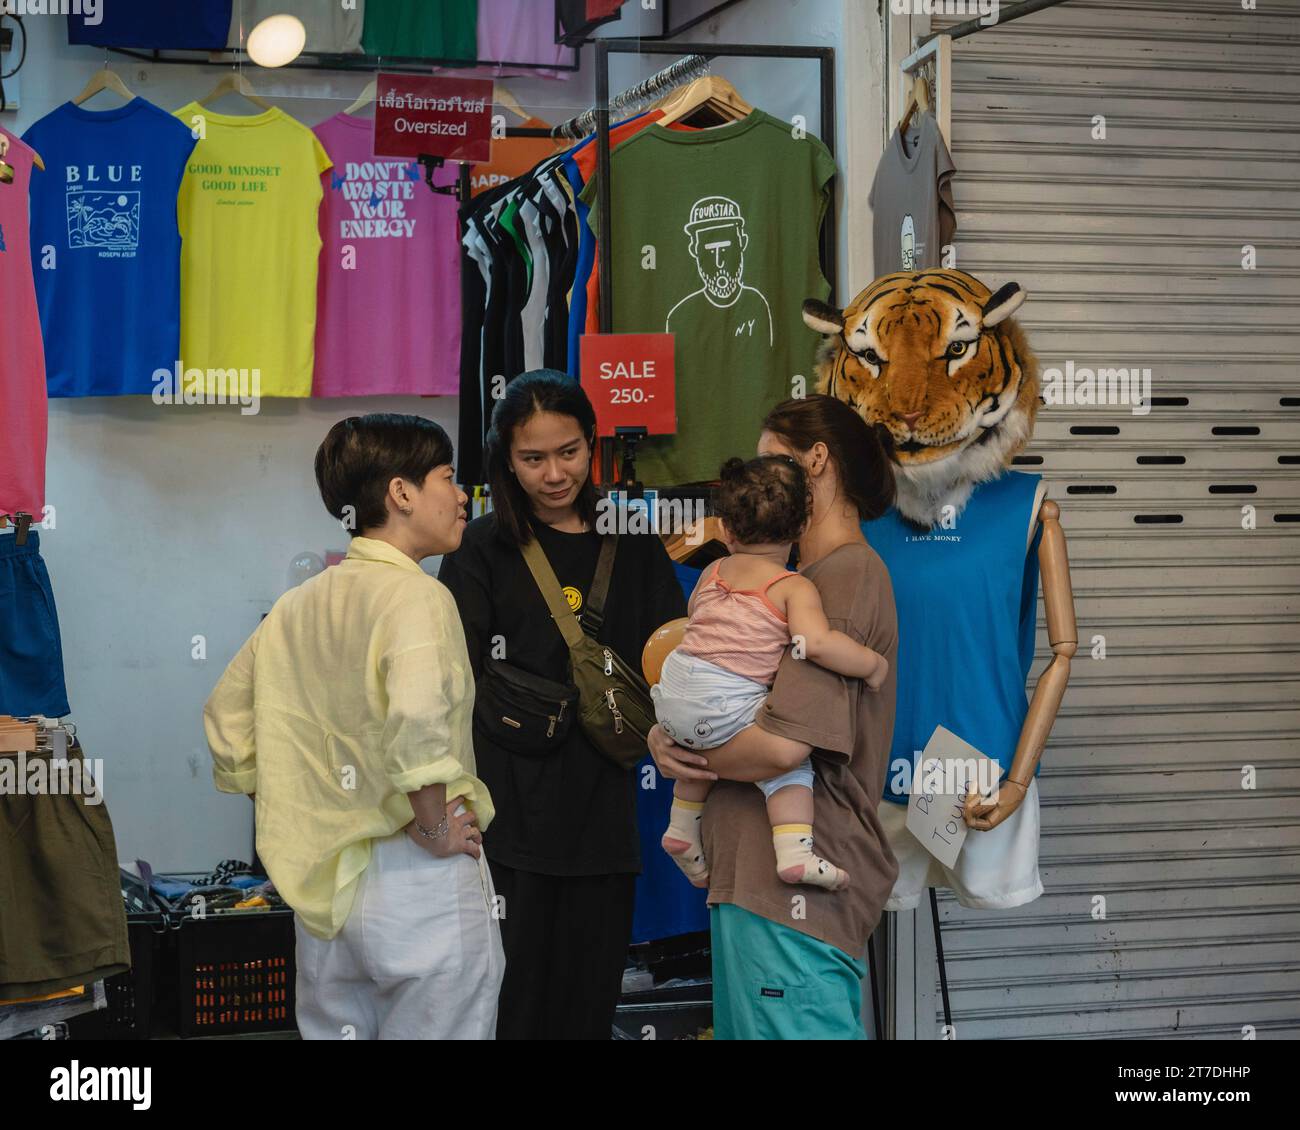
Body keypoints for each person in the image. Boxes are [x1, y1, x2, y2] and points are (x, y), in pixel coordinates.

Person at [204, 414, 503, 1040]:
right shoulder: (417, 596)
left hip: (325, 887)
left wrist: (300, 804)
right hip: (418, 872)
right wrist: (430, 823)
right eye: (448, 478)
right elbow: (418, 722)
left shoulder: (298, 603)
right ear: (402, 493)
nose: (461, 497)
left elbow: (229, 721)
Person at [439, 369, 687, 1040]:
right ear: (505, 458)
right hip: (505, 824)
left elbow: (673, 653)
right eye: (533, 458)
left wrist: (678, 728)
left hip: (605, 819)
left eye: (569, 451)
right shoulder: (478, 550)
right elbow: (450, 686)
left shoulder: (632, 539)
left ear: (592, 444)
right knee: (510, 1008)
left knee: (587, 1005)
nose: (555, 473)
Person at [648, 395, 900, 1040]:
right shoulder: (792, 581)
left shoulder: (838, 580)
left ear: (814, 460)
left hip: (792, 900)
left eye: (771, 462)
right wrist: (668, 736)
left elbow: (784, 749)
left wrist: (684, 751)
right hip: (760, 885)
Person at [653, 454, 889, 893]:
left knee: (696, 732)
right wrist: (873, 664)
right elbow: (817, 644)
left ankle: (682, 828)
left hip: (674, 691)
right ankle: (795, 853)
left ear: (724, 529)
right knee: (789, 772)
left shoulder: (710, 571)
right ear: (802, 526)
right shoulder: (792, 586)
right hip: (722, 698)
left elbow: (696, 623)